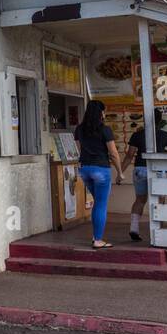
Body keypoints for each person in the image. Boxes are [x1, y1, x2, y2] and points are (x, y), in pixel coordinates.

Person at [119, 108, 167, 242]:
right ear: (160, 121)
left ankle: (134, 228)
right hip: (158, 170)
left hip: (140, 170)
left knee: (140, 200)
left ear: (145, 120)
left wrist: (120, 173)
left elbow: (129, 155)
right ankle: (158, 230)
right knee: (160, 200)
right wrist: (162, 153)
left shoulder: (137, 135)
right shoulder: (166, 135)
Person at [74, 99, 123, 249]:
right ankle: (98, 240)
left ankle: (96, 236)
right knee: (101, 204)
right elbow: (113, 153)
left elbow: (79, 149)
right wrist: (120, 172)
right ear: (101, 113)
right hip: (101, 169)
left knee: (98, 203)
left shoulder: (79, 129)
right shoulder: (105, 129)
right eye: (103, 111)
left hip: (85, 170)